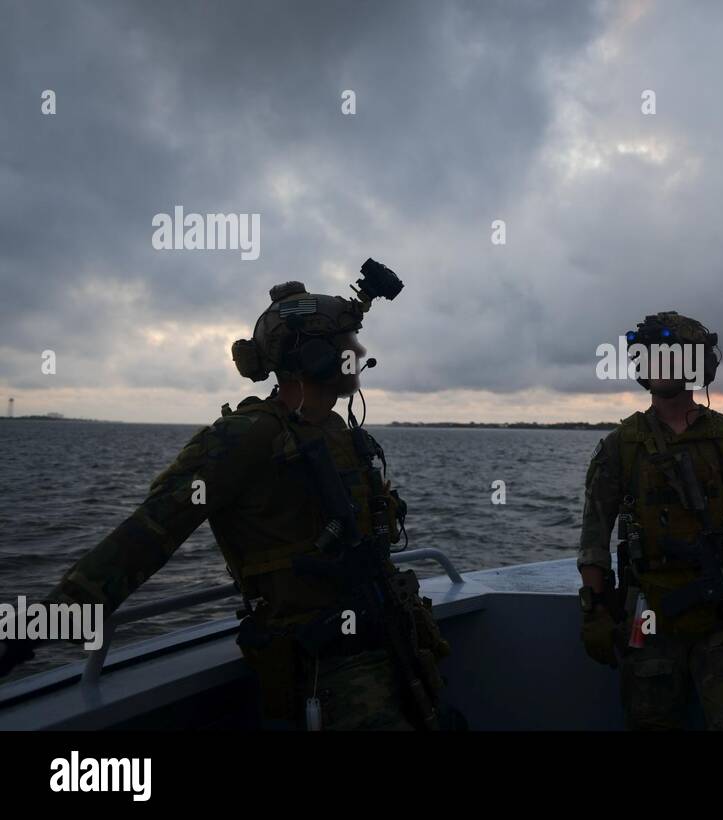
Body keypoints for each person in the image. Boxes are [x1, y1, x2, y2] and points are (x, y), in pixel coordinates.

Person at [0, 262, 450, 730]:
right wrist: (29, 634)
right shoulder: (246, 438)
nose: (359, 351)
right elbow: (144, 538)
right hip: (328, 667)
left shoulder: (338, 431)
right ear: (316, 358)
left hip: (389, 640)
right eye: (347, 343)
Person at [577, 311, 723, 730]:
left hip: (721, 615)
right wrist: (594, 609)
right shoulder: (622, 446)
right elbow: (594, 536)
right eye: (650, 356)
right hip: (648, 611)